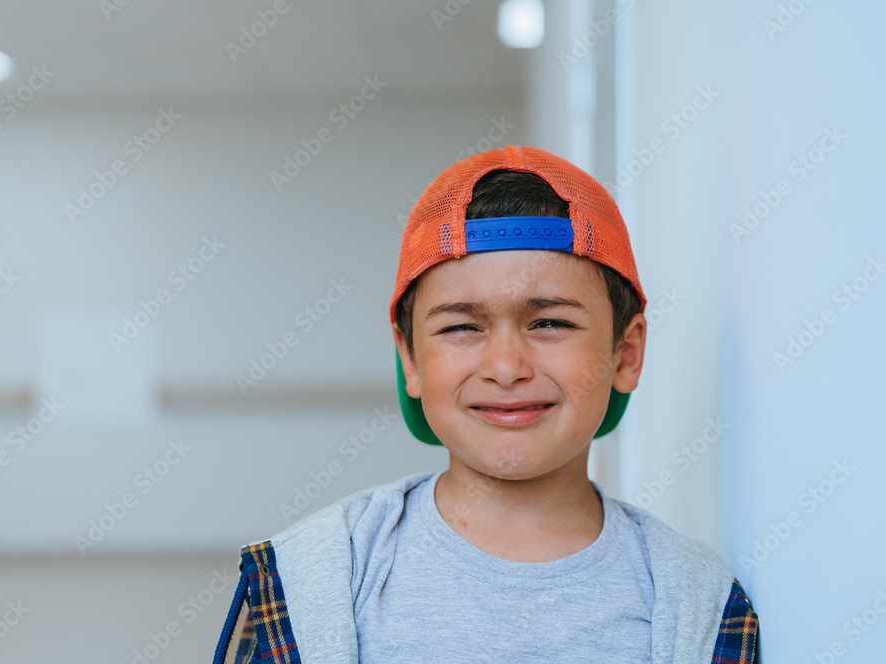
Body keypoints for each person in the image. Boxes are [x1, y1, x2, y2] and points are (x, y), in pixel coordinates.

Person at [210, 145, 760, 664]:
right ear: (411, 361)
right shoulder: (311, 581)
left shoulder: (698, 608)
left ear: (626, 352)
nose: (505, 367)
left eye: (550, 322)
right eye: (462, 327)